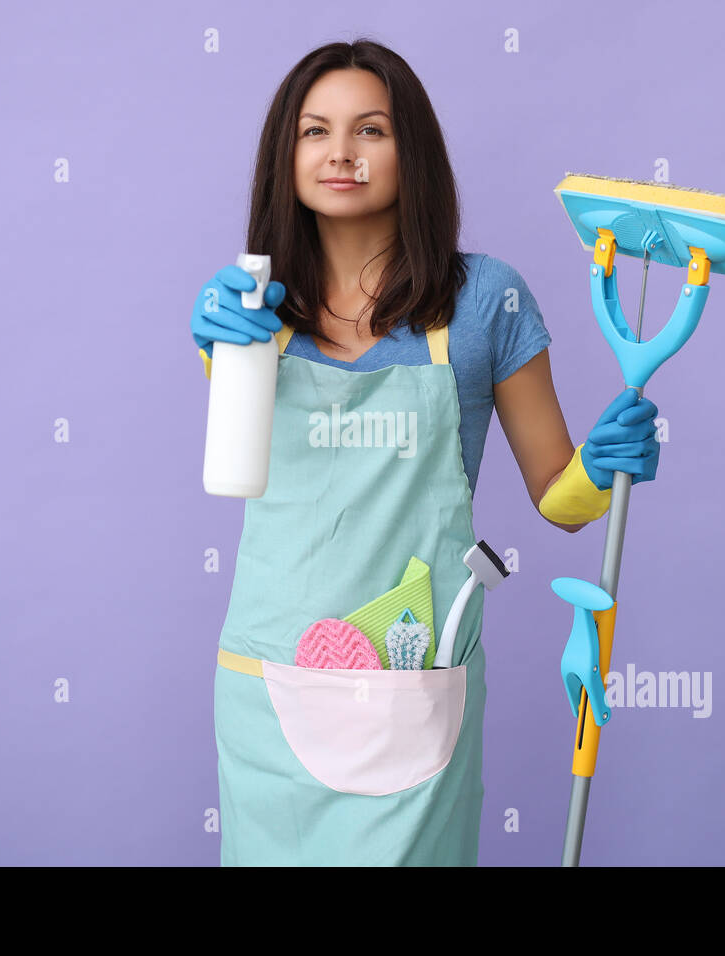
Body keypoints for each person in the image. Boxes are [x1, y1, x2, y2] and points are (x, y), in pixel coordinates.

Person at [188, 39, 659, 865]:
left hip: (416, 687)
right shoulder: (254, 306)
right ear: (283, 157)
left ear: (414, 151)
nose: (340, 152)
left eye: (371, 130)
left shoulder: (485, 302)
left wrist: (603, 466)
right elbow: (236, 452)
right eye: (314, 132)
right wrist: (214, 340)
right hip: (268, 687)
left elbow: (559, 496)